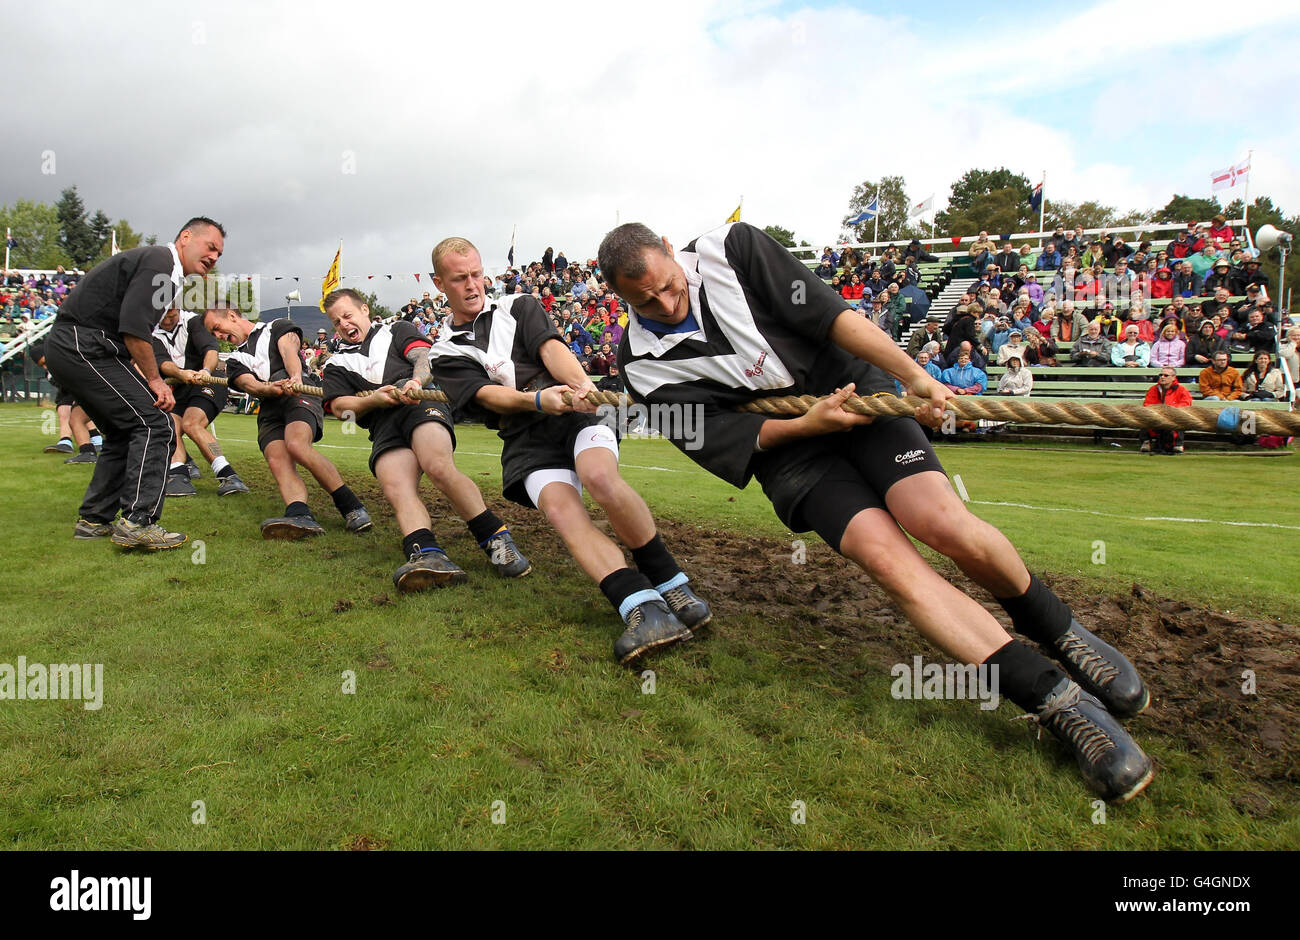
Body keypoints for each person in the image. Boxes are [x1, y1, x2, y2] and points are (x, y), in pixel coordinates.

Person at [600, 220, 1153, 803]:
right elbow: (712, 436)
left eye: (668, 285)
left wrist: (914, 377)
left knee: (940, 521)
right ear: (620, 299)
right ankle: (1057, 704)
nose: (666, 302)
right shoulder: (640, 365)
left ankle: (1058, 630)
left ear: (668, 248)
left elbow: (832, 316)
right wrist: (804, 424)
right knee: (886, 560)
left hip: (856, 392)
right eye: (646, 301)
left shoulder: (730, 250)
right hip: (792, 447)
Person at [426, 236, 710, 665]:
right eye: (459, 279)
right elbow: (486, 395)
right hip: (525, 437)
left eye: (477, 274)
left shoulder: (519, 304)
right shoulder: (444, 352)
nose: (472, 285)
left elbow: (551, 348)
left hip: (575, 411)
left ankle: (672, 583)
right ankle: (643, 609)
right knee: (562, 513)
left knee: (599, 477)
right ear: (438, 284)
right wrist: (536, 401)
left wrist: (582, 388)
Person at [319, 288, 530, 591]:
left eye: (347, 315)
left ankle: (496, 540)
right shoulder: (337, 363)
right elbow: (340, 407)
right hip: (382, 422)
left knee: (438, 465)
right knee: (396, 487)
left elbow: (422, 357)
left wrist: (416, 382)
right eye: (337, 321)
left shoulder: (396, 330)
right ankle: (427, 554)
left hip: (419, 403)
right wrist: (373, 400)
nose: (343, 324)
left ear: (364, 310)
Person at [42, 217, 225, 550]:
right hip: (84, 345)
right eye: (210, 247)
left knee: (124, 430)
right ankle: (138, 523)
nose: (214, 258)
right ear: (185, 237)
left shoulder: (162, 267)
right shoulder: (163, 264)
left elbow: (127, 329)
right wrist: (155, 381)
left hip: (78, 346)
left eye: (219, 254)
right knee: (157, 424)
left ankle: (94, 519)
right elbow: (134, 328)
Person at [204, 306, 374, 539]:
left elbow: (289, 350)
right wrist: (267, 388)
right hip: (269, 403)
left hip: (299, 391)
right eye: (213, 334)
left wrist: (294, 377)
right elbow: (248, 384)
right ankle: (299, 514)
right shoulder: (234, 360)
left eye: (217, 328)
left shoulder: (277, 326)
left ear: (232, 316)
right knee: (276, 457)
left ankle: (352, 507)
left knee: (296, 444)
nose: (218, 336)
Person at [151, 305, 250, 497]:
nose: (168, 320)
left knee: (191, 423)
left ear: (177, 308)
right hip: (180, 386)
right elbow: (163, 362)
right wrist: (181, 373)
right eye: (163, 316)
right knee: (169, 425)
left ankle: (228, 476)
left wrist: (205, 371)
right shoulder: (151, 332)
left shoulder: (194, 322)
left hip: (209, 381)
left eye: (171, 314)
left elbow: (210, 351)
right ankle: (179, 474)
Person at [1140, 366, 1194, 454]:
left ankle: (1178, 444)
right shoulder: (1153, 389)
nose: (1162, 377)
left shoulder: (1182, 390)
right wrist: (1160, 411)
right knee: (1144, 416)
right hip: (1157, 416)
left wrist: (1169, 411)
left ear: (1173, 377)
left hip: (1173, 416)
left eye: (1166, 375)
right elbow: (1148, 404)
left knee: (1180, 418)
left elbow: (1186, 404)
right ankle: (1146, 442)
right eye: (1161, 375)